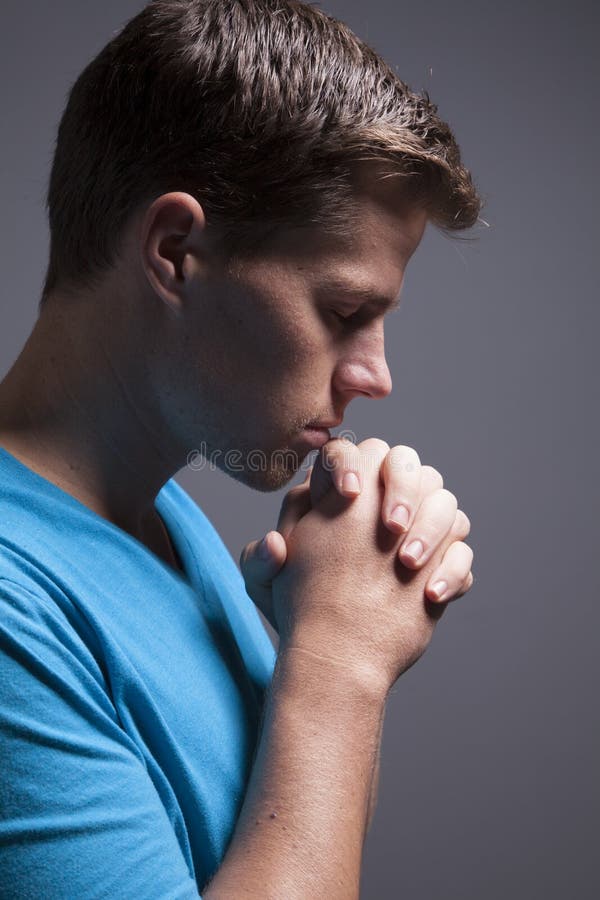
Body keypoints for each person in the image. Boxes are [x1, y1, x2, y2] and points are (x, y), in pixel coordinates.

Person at [0, 0, 480, 896]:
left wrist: (328, 638)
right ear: (176, 251)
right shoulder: (10, 607)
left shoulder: (159, 520)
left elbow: (293, 850)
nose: (374, 375)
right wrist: (341, 661)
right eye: (344, 313)